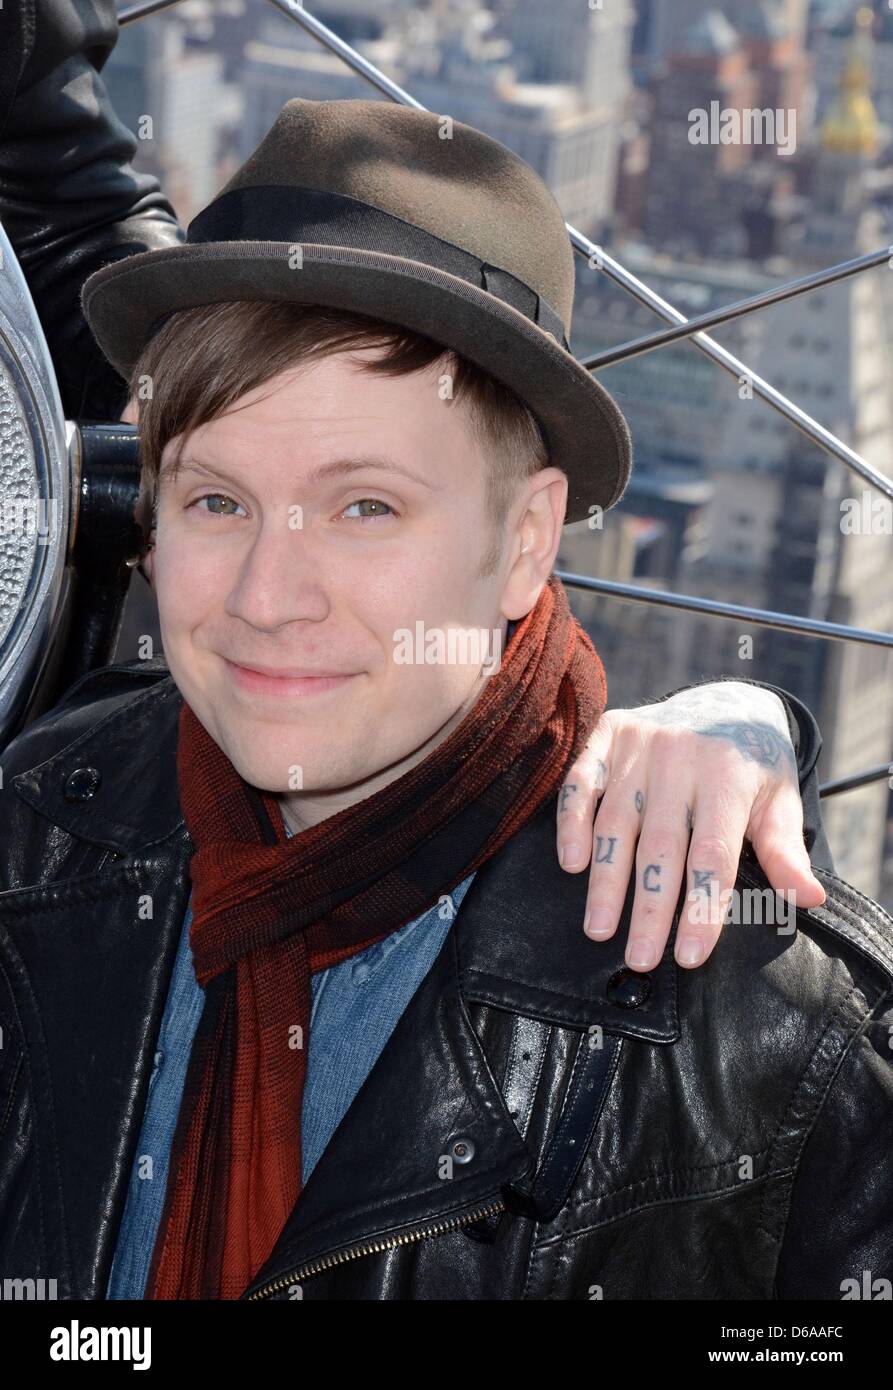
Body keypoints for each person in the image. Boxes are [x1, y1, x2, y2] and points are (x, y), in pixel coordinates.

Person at [0, 95, 889, 1302]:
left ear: (527, 539)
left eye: (365, 506)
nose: (268, 596)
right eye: (216, 500)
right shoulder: (33, 835)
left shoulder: (767, 1027)